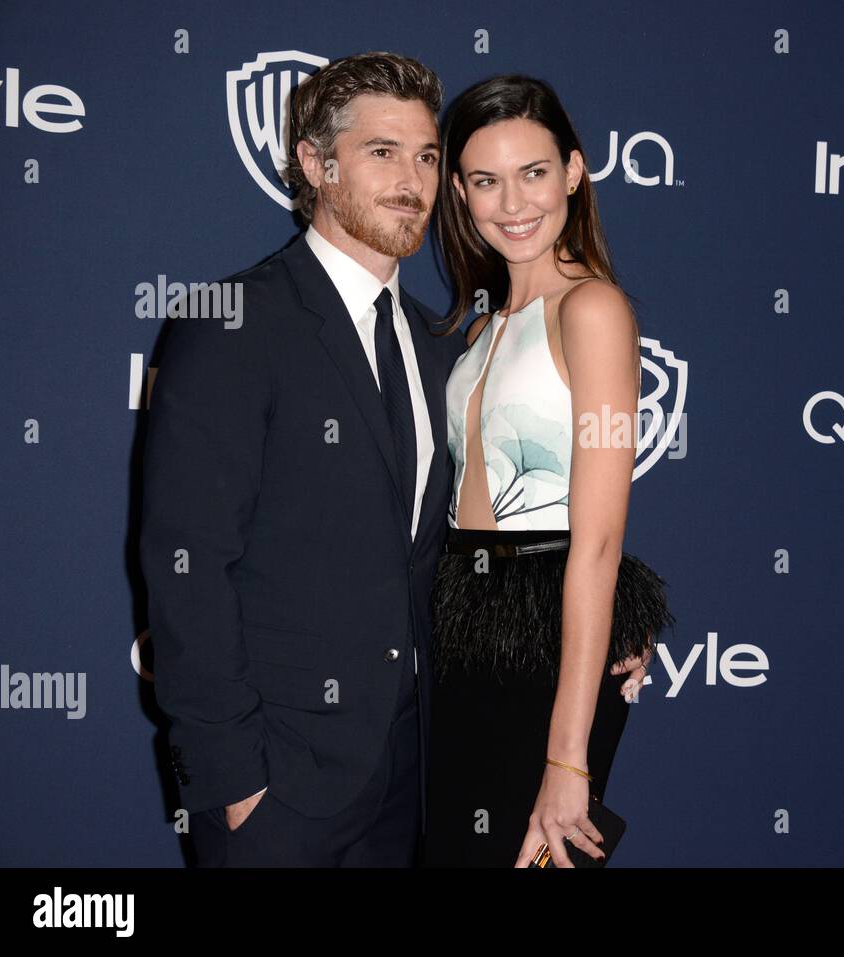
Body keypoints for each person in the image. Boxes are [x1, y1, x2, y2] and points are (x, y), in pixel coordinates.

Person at [140, 51, 461, 866]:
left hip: (408, 780)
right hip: (276, 788)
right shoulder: (233, 323)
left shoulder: (439, 346)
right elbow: (186, 566)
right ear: (318, 165)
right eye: (382, 152)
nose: (412, 178)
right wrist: (232, 781)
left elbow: (457, 554)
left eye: (426, 155)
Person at [419, 74, 675, 868]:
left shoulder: (591, 311)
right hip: (461, 620)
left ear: (573, 171)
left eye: (533, 172)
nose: (513, 202)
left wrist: (568, 762)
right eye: (486, 181)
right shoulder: (480, 323)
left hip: (545, 632)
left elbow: (596, 542)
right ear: (459, 193)